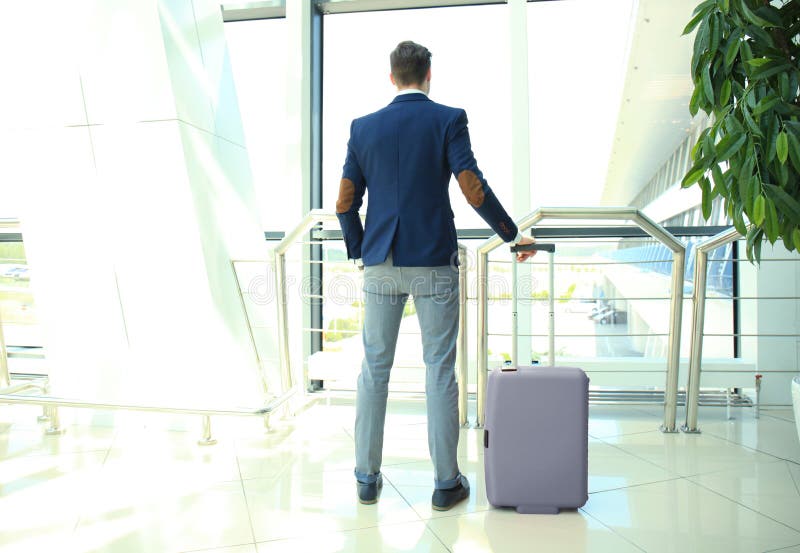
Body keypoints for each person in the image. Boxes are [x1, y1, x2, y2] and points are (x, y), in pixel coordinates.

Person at [335, 40, 536, 510]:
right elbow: (471, 187)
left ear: (392, 78)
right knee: (439, 369)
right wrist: (511, 235)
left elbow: (345, 201)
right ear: (428, 75)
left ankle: (366, 477)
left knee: (374, 370)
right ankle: (446, 484)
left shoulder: (363, 128)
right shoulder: (448, 118)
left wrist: (360, 250)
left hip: (380, 262)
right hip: (433, 261)